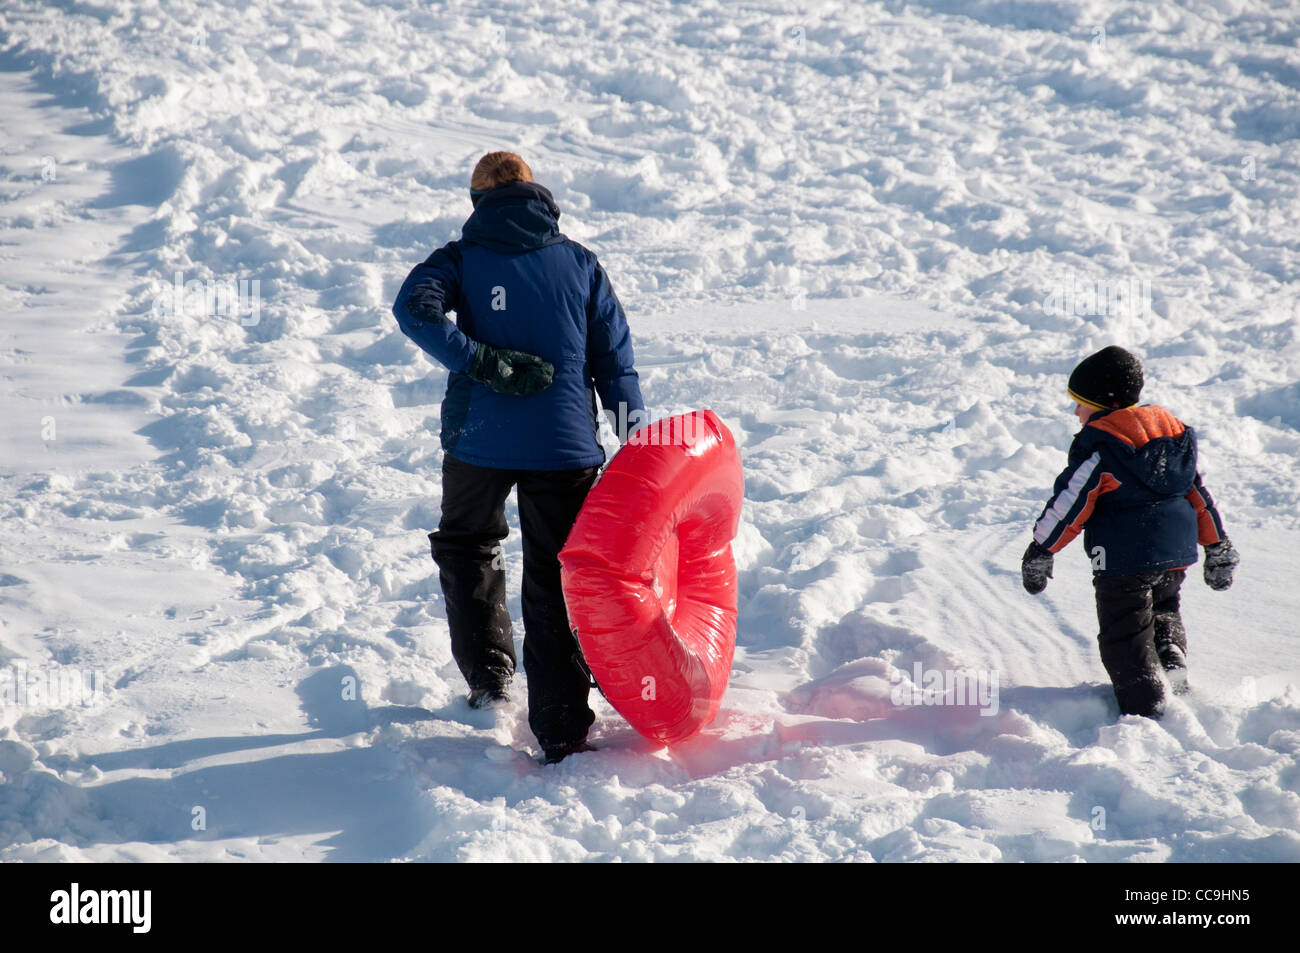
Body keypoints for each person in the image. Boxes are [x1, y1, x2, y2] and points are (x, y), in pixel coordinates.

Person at [392, 151, 645, 763]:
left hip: (479, 440)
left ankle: (489, 680)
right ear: (537, 193)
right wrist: (633, 438)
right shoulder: (581, 264)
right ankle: (561, 729)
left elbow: (413, 308)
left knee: (468, 546)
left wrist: (478, 361)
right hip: (565, 447)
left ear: (478, 201)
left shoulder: (459, 259)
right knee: (559, 575)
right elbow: (614, 359)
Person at [1021, 345, 1239, 717]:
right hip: (1174, 552)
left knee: (1125, 635)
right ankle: (1171, 659)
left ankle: (1148, 707)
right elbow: (1197, 495)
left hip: (1124, 560)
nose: (1076, 411)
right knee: (1164, 609)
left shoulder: (1102, 448)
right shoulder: (1171, 438)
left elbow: (1071, 503)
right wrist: (1217, 545)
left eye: (1080, 402)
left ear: (1103, 403)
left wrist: (1042, 549)